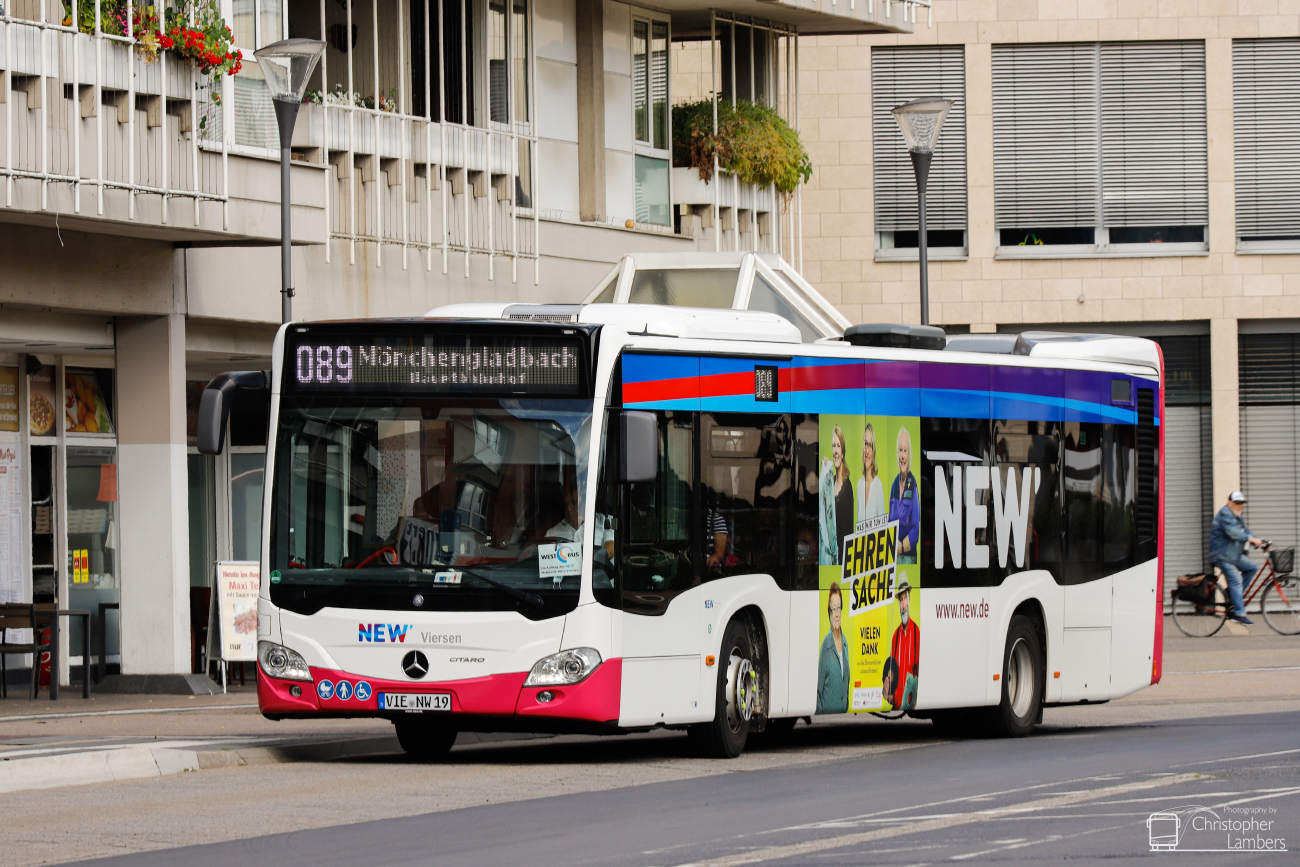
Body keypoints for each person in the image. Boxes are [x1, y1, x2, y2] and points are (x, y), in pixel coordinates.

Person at [1209, 491, 1263, 625]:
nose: (1240, 506)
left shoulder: (1236, 516)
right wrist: (1250, 539)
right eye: (1237, 503)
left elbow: (1245, 531)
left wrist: (1260, 541)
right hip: (1221, 555)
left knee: (1252, 567)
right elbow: (1233, 533)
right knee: (1236, 580)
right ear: (1229, 502)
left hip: (1233, 555)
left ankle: (1233, 595)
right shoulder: (1225, 514)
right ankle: (1238, 614)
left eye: (1242, 503)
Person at [883, 578, 919, 711]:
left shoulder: (917, 633)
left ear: (909, 599)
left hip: (911, 703)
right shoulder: (895, 637)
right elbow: (893, 675)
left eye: (905, 599)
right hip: (897, 703)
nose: (903, 605)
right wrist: (887, 693)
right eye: (900, 600)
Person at [816, 583, 850, 713]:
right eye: (833, 609)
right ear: (829, 613)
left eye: (839, 608)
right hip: (826, 715)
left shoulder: (845, 642)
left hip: (841, 715)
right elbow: (818, 690)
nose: (837, 614)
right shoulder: (826, 645)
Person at [889, 427, 920, 564]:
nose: (902, 455)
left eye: (905, 451)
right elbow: (890, 523)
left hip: (908, 557)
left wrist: (900, 548)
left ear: (909, 455)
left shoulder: (913, 485)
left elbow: (915, 530)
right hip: (893, 558)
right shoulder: (894, 486)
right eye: (900, 450)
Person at [856, 423, 887, 525]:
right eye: (866, 444)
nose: (867, 451)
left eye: (870, 445)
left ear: (874, 452)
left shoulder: (878, 485)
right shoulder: (859, 485)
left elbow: (883, 528)